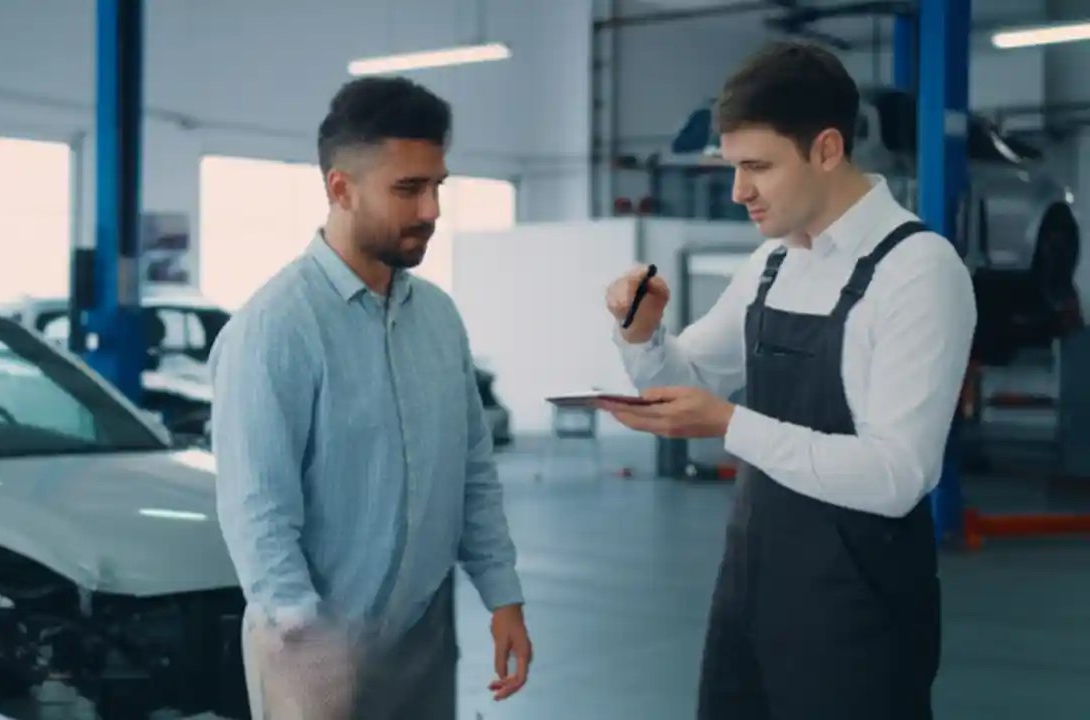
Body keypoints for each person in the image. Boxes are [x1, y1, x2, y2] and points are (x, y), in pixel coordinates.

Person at [602, 41, 976, 719]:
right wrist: (641, 331)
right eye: (733, 167)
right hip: (750, 594)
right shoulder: (773, 263)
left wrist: (729, 424)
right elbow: (686, 376)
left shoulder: (919, 272)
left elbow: (898, 475)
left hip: (858, 617)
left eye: (758, 167)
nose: (738, 191)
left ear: (827, 149)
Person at [208, 75, 532, 719]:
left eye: (437, 186)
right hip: (313, 644)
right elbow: (258, 511)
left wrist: (503, 594)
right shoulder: (276, 327)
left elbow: (471, 470)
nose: (431, 210)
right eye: (408, 189)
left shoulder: (438, 318)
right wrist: (304, 644)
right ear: (341, 189)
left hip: (422, 635)